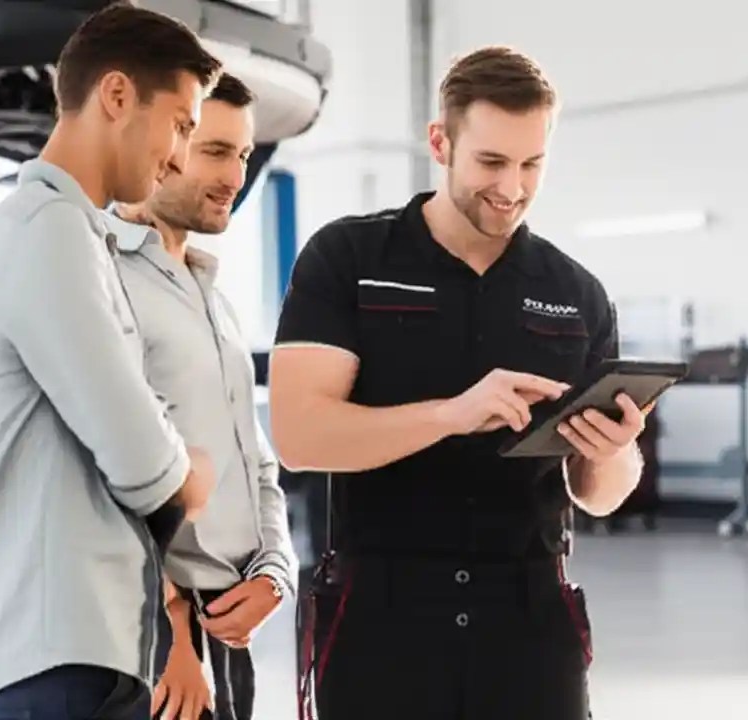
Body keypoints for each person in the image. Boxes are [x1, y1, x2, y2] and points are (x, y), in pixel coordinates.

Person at [269, 45, 649, 719]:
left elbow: (598, 496)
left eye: (533, 164)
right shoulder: (349, 260)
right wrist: (452, 414)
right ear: (440, 142)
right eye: (491, 162)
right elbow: (299, 436)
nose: (512, 187)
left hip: (530, 623)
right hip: (381, 618)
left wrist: (613, 450)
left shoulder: (577, 293)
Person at [0, 5, 224, 719]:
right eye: (183, 125)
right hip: (56, 670)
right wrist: (193, 470)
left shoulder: (68, 235)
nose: (180, 157)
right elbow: (149, 468)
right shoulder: (49, 235)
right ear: (116, 95)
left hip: (68, 660)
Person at [107, 73, 297, 720]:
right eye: (215, 151)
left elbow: (254, 457)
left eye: (243, 155)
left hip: (230, 624)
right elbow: (107, 475)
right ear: (165, 141)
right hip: (159, 632)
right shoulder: (104, 280)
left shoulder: (212, 296)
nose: (236, 177)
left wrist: (276, 567)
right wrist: (172, 635)